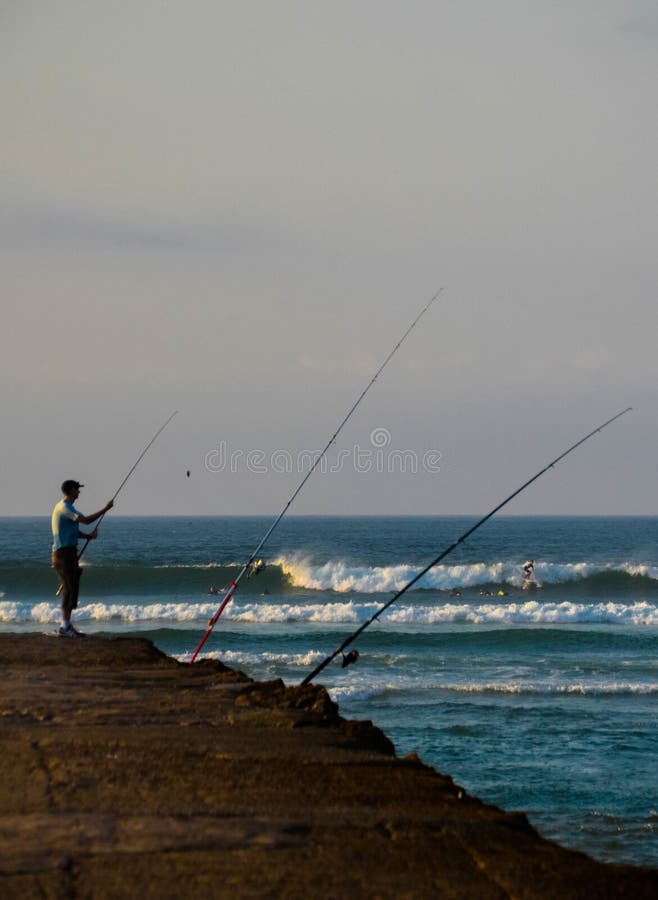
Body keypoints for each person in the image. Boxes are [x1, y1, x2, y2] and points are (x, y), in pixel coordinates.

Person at [51, 480, 113, 637]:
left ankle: (66, 625)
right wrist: (105, 509)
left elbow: (71, 531)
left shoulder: (68, 508)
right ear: (71, 490)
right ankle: (65, 627)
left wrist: (87, 537)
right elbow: (85, 520)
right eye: (77, 489)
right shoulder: (64, 508)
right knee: (69, 589)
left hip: (67, 553)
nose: (79, 492)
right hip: (63, 554)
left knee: (71, 587)